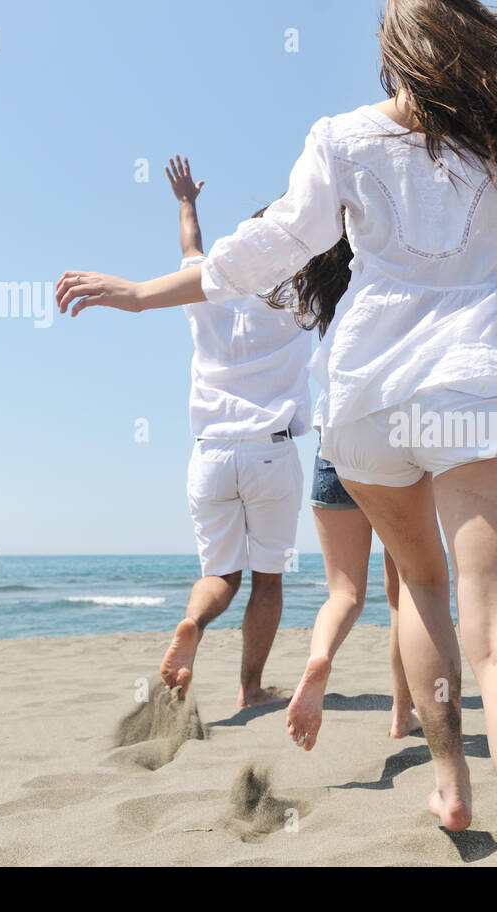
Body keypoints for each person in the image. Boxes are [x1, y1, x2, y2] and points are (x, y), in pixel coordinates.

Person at [56, 0, 497, 866]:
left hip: (367, 401)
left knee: (420, 585)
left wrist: (143, 293)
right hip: (472, 389)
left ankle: (451, 780)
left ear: (397, 52)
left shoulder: (342, 136)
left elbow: (269, 248)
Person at [159, 155, 308, 707]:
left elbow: (190, 248)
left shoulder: (204, 290)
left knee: (220, 576)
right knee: (268, 579)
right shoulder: (298, 299)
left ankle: (194, 623)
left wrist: (186, 202)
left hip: (211, 454)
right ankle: (249, 689)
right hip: (270, 453)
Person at [264, 231, 420, 749]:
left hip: (335, 443)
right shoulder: (388, 281)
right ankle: (403, 713)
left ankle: (321, 656)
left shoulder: (329, 298)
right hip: (396, 444)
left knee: (345, 593)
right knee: (406, 594)